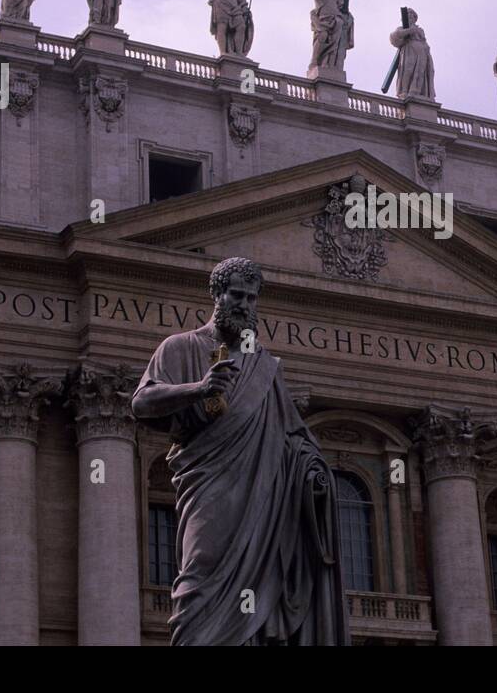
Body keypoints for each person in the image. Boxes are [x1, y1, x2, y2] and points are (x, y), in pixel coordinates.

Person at [131, 257, 349, 646]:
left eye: (252, 297)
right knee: (199, 580)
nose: (244, 304)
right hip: (209, 490)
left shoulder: (264, 366)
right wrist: (198, 388)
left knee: (254, 601)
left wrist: (314, 474)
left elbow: (293, 437)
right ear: (216, 294)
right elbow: (142, 403)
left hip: (262, 504)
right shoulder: (180, 347)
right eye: (236, 294)